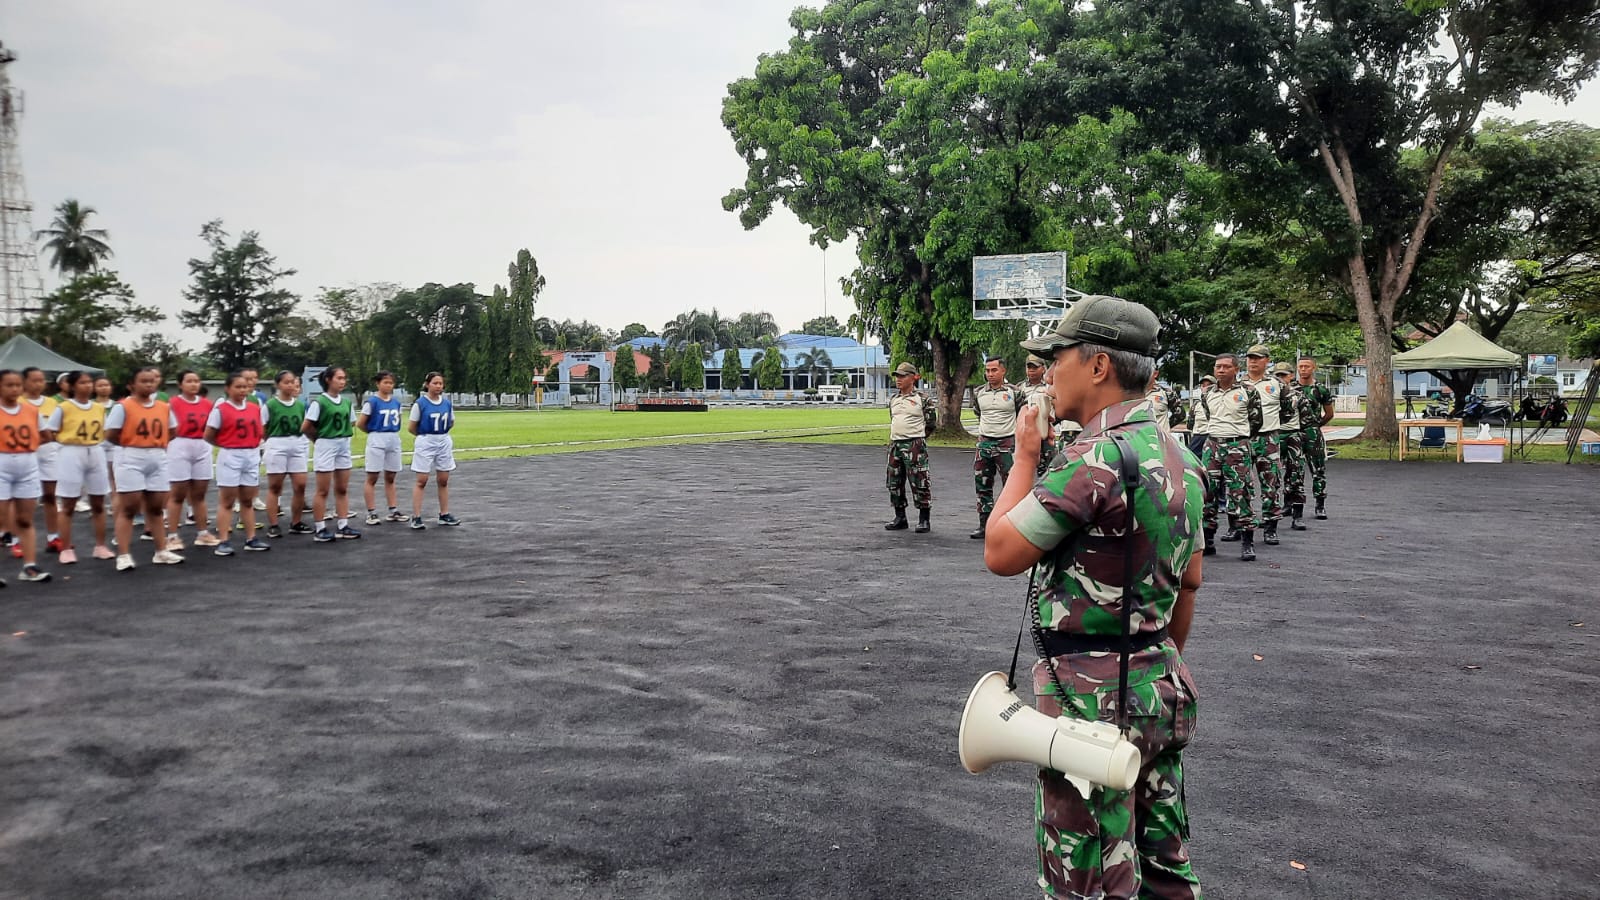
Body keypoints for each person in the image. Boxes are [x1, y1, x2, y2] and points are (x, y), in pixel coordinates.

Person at [983, 296, 1203, 900]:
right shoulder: (1182, 457)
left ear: (1098, 365)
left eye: (1057, 358)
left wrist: (1025, 456)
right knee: (1165, 870)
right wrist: (1147, 666)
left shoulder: (1093, 459)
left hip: (1089, 705)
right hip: (1159, 685)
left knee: (1090, 881)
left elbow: (1000, 551)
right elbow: (1189, 582)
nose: (1048, 374)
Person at [105, 366, 183, 570]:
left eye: (152, 381)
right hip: (131, 456)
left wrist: (156, 444)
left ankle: (161, 551)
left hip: (157, 456)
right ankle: (123, 554)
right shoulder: (123, 406)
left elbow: (172, 430)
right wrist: (131, 444)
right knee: (129, 507)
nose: (149, 384)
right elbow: (111, 434)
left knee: (156, 507)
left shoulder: (163, 407)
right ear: (131, 385)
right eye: (144, 381)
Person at [48, 371, 113, 564]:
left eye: (89, 382)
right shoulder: (64, 407)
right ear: (72, 386)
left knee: (98, 502)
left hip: (95, 450)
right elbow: (51, 431)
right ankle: (66, 548)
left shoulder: (98, 408)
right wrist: (62, 446)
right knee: (68, 504)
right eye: (82, 382)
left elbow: (104, 431)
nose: (88, 385)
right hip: (71, 451)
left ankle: (100, 546)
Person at [1201, 354, 1260, 561]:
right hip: (1212, 445)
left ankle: (1247, 541)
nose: (1221, 370)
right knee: (1208, 492)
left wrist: (1239, 438)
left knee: (1241, 492)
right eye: (1218, 366)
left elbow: (1256, 421)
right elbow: (1209, 415)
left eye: (1226, 367)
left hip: (1237, 445)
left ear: (1236, 370)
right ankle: (1208, 539)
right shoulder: (1207, 392)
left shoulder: (1248, 391)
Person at [205, 371, 271, 556]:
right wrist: (227, 444)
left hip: (250, 454)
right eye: (238, 387)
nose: (242, 390)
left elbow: (261, 431)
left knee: (247, 500)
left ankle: (251, 538)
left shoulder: (254, 408)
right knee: (227, 501)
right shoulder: (221, 409)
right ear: (228, 388)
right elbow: (208, 435)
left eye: (245, 387)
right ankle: (223, 541)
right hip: (231, 455)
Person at [0, 369, 52, 583]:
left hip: (27, 463)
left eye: (18, 385)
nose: (14, 389)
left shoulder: (31, 410)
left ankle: (30, 566)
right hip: (2, 462)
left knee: (25, 519)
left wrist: (28, 445)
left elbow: (46, 435)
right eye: (9, 385)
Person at [302, 366, 362, 542]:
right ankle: (320, 528)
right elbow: (306, 427)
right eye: (339, 378)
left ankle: (343, 525)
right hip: (326, 443)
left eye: (344, 378)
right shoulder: (319, 402)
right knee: (323, 490)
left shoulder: (346, 402)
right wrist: (318, 439)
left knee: (342, 488)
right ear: (328, 380)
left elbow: (351, 423)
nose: (343, 382)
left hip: (343, 443)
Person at [969, 357, 1022, 539]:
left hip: (1006, 443)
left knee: (1011, 485)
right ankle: (984, 525)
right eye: (987, 370)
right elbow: (978, 413)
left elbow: (1022, 414)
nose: (990, 374)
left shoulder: (1015, 392)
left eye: (994, 370)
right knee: (982, 484)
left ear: (1003, 371)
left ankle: (1013, 526)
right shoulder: (979, 393)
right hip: (984, 443)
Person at [166, 370, 219, 550]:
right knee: (177, 494)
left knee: (199, 494)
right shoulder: (172, 404)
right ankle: (172, 536)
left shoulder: (207, 404)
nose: (194, 384)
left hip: (202, 445)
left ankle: (203, 533)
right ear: (180, 384)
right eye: (189, 381)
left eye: (196, 381)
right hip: (179, 444)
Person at [884, 361, 936, 533]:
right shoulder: (894, 399)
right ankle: (900, 517)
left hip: (914, 444)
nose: (898, 380)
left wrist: (918, 439)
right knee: (894, 482)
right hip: (895, 444)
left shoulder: (922, 399)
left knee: (920, 481)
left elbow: (931, 423)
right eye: (897, 376)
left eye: (902, 376)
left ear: (913, 378)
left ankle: (924, 519)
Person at [1240, 345, 1285, 546]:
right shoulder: (1238, 385)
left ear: (1267, 360)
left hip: (1268, 439)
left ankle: (1270, 527)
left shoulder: (1277, 384)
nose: (1253, 361)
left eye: (1257, 358)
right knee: (1240, 484)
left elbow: (1288, 409)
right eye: (1250, 358)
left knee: (1271, 483)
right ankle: (1240, 525)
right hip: (1243, 439)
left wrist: (1272, 426)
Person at [408, 371, 462, 529]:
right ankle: (416, 517)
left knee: (443, 479)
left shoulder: (446, 403)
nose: (438, 386)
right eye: (435, 383)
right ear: (427, 385)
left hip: (443, 440)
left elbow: (451, 422)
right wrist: (424, 436)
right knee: (422, 480)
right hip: (426, 441)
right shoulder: (420, 404)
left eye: (440, 383)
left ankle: (444, 514)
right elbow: (411, 427)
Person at [262, 371, 312, 538]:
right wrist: (269, 443)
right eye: (286, 382)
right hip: (277, 444)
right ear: (278, 385)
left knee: (300, 485)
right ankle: (273, 524)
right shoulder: (270, 405)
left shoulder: (300, 405)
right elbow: (263, 428)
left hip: (296, 444)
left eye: (292, 382)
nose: (290, 385)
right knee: (275, 486)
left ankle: (296, 522)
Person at [357, 371, 408, 525]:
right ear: (378, 384)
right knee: (372, 476)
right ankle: (371, 512)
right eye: (385, 382)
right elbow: (361, 423)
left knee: (391, 476)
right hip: (377, 437)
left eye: (391, 383)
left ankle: (393, 509)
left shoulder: (396, 403)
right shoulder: (372, 402)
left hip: (393, 438)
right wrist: (372, 432)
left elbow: (398, 421)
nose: (388, 385)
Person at [20, 367, 62, 556]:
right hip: (25, 453)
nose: (39, 384)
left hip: (48, 452)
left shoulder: (52, 402)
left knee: (50, 496)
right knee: (23, 500)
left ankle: (53, 537)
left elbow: (57, 429)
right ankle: (17, 540)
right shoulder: (17, 403)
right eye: (34, 380)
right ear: (24, 382)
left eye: (41, 380)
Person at [1295, 357, 1335, 520]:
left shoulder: (1320, 389)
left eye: (1307, 366)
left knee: (1318, 470)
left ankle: (1320, 505)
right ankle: (1291, 505)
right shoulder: (1290, 388)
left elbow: (1329, 413)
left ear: (1313, 368)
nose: (1303, 369)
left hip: (1312, 433)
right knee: (1293, 470)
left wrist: (1316, 426)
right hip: (1293, 433)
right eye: (1300, 366)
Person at [1273, 363, 1311, 531]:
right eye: (1278, 376)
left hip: (1293, 435)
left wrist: (1301, 436)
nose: (1281, 379)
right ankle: (1271, 514)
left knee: (1296, 474)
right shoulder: (1268, 394)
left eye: (1284, 375)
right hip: (1273, 436)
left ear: (1291, 376)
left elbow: (1307, 418)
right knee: (1271, 476)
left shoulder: (1297, 395)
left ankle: (1297, 516)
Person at [1016, 354, 1055, 476]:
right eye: (1029, 367)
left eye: (1035, 367)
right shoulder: (1019, 388)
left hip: (1045, 434)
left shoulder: (1050, 386)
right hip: (1026, 434)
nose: (1031, 370)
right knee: (1024, 470)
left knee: (1048, 472)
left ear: (1043, 368)